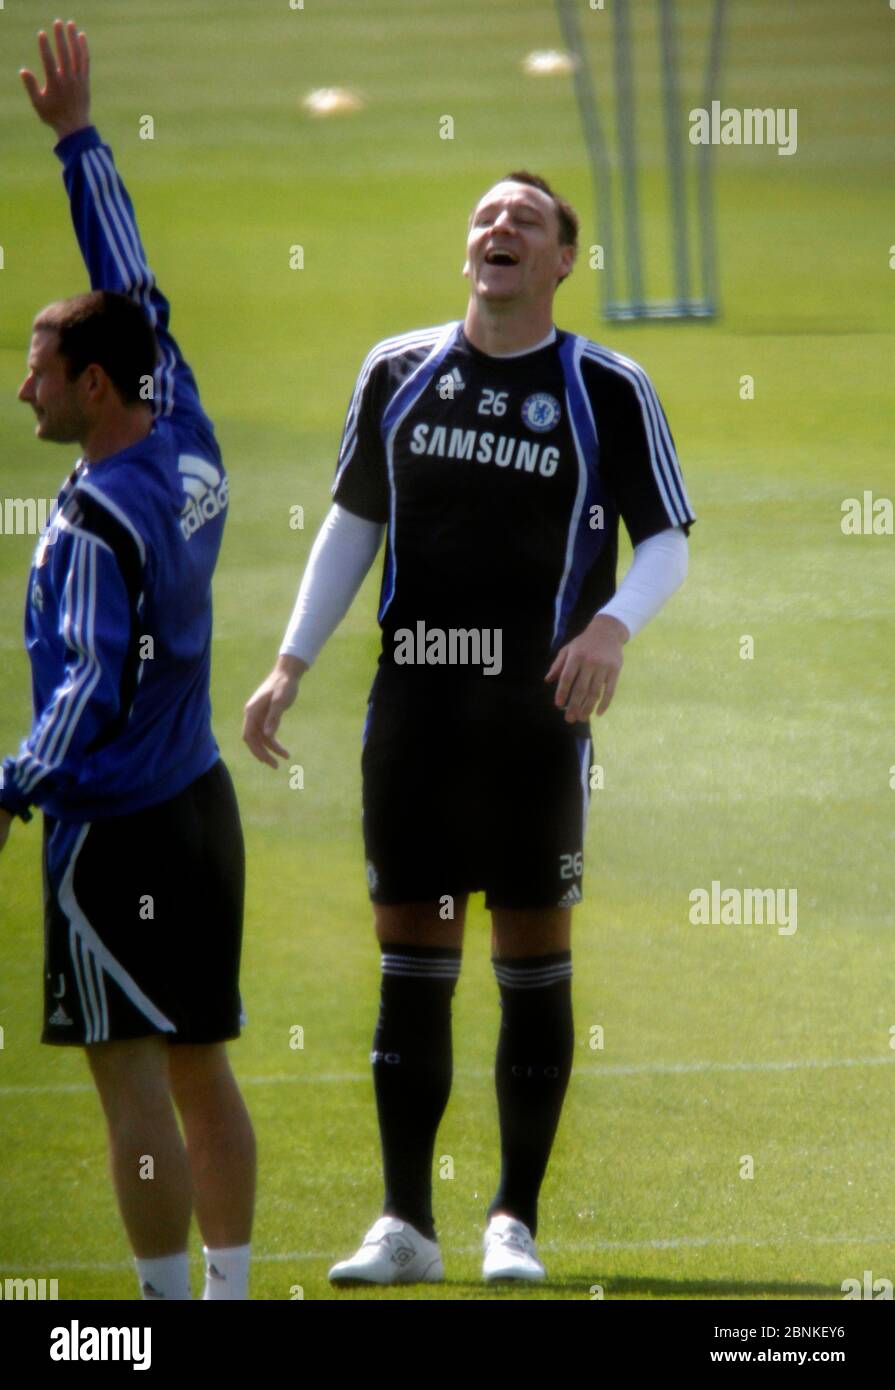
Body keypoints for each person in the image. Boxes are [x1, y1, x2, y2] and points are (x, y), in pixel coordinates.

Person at [243, 168, 695, 1286]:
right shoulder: (397, 372)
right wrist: (290, 662)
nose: (501, 228)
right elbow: (352, 523)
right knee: (410, 962)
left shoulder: (608, 385)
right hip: (416, 712)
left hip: (538, 715)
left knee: (532, 958)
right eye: (488, 216)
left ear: (559, 262)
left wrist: (610, 628)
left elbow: (668, 539)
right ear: (468, 252)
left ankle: (513, 1222)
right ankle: (403, 1225)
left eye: (526, 222)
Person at [0, 21, 255, 1301]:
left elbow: (91, 692)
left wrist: (9, 783)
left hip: (117, 836)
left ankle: (158, 1324)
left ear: (96, 387)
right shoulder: (183, 422)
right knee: (205, 1060)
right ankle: (231, 1293)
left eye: (40, 368)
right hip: (203, 801)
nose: (25, 391)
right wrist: (79, 143)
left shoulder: (99, 517)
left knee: (130, 1080)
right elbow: (134, 275)